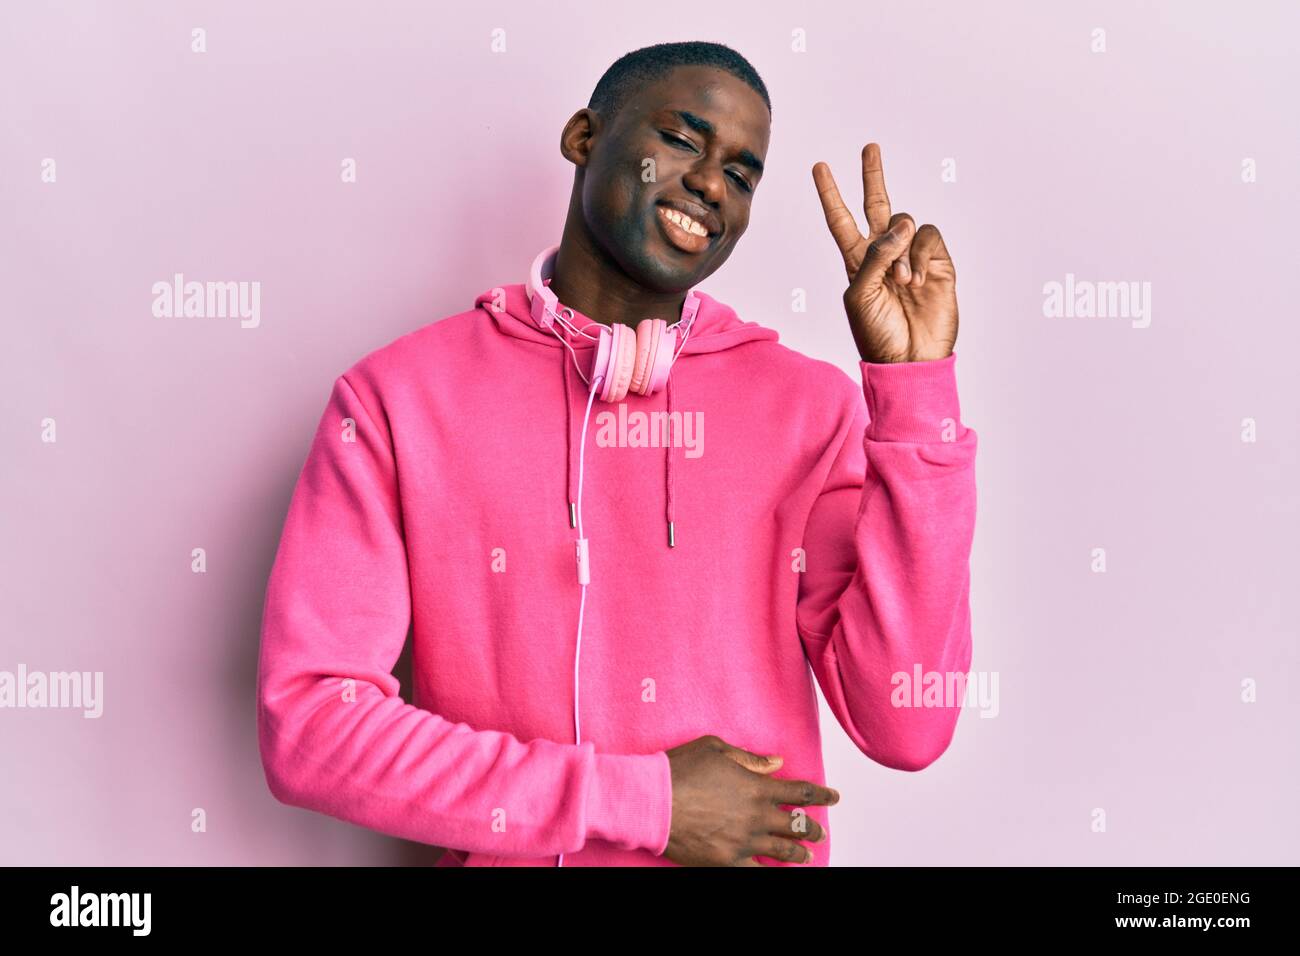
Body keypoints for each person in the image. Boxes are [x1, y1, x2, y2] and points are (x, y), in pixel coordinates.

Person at [256, 40, 977, 867]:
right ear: (584, 137)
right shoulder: (395, 401)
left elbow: (909, 724)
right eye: (682, 139)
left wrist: (915, 393)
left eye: (742, 174)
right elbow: (310, 728)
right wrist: (646, 802)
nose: (712, 183)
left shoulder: (809, 412)